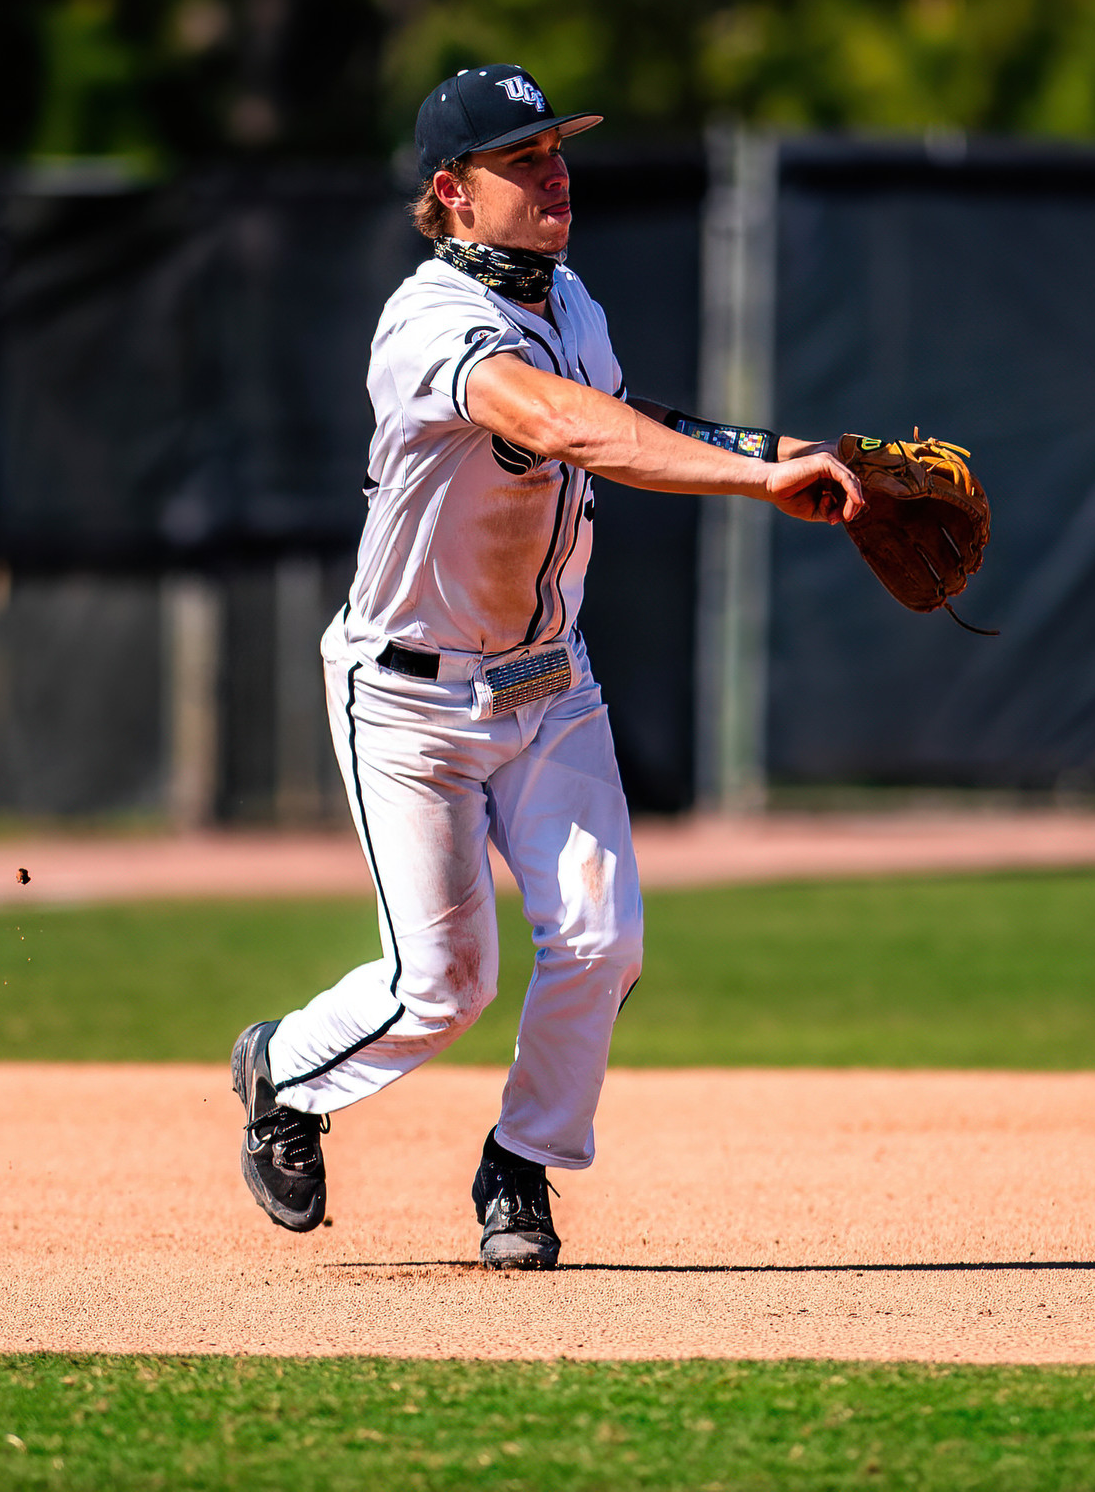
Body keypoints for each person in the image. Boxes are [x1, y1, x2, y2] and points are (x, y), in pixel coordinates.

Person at [229, 64, 863, 1269]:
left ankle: (522, 1166)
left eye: (556, 151)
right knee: (445, 984)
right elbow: (566, 426)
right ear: (453, 194)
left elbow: (623, 406)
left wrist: (779, 453)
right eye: (522, 162)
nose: (553, 173)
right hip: (409, 699)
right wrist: (749, 480)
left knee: (601, 939)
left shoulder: (569, 298)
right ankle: (286, 1072)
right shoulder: (430, 326)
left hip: (546, 676)